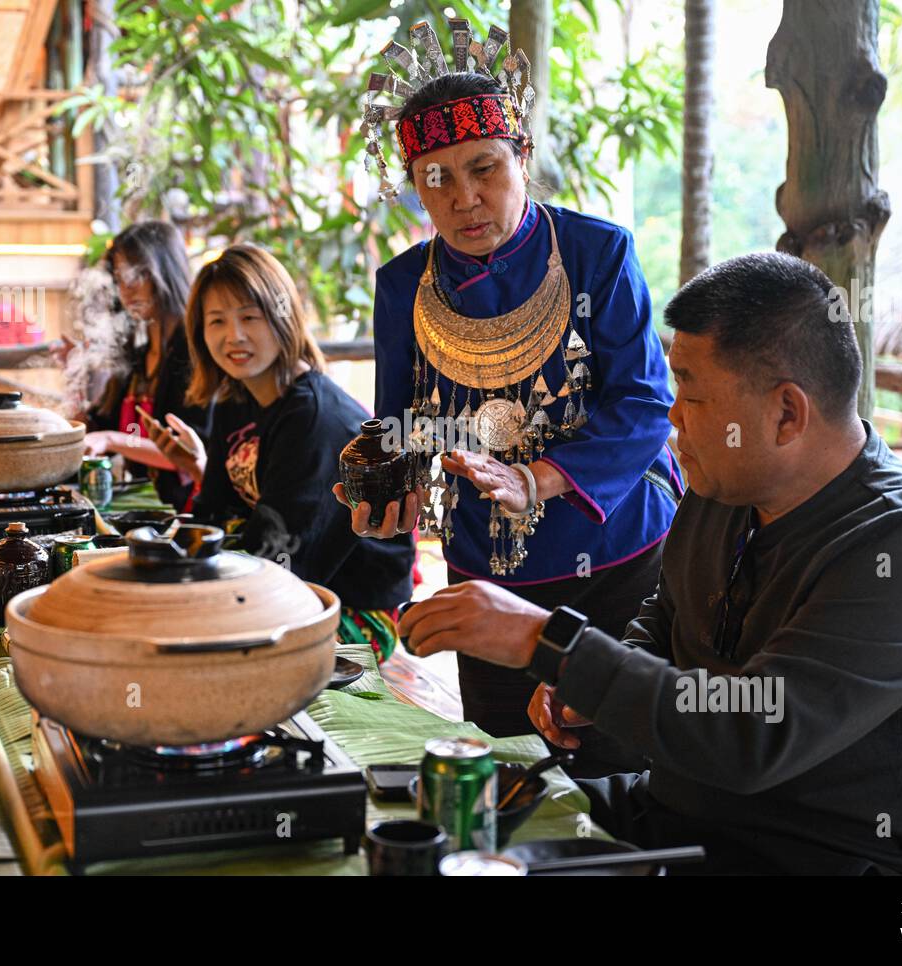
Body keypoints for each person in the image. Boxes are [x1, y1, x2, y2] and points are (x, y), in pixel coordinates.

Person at [399, 252, 902, 874]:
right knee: (440, 822)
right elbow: (666, 622)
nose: (673, 415)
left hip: (822, 858)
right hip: (680, 819)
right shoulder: (721, 494)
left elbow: (751, 735)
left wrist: (546, 642)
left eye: (692, 391)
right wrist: (586, 692)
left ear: (786, 413)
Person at [336, 19, 680, 771]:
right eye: (437, 177)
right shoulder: (403, 288)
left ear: (522, 157)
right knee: (508, 769)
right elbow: (402, 424)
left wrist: (536, 478)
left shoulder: (599, 254)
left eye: (485, 167)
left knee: (616, 768)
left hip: (620, 558)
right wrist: (384, 487)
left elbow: (645, 406)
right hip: (485, 570)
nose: (465, 197)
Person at [151, 244, 414, 661]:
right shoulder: (235, 398)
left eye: (249, 317)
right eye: (216, 321)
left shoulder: (313, 416)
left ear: (282, 317)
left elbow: (286, 557)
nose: (233, 336)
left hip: (351, 610)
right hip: (278, 580)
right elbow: (212, 510)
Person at [81, 221, 212, 511]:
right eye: (119, 277)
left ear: (165, 270)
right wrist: (74, 374)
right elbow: (98, 426)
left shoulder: (197, 354)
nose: (126, 289)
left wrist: (112, 440)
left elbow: (188, 454)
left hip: (189, 514)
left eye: (137, 274)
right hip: (144, 511)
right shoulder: (139, 356)